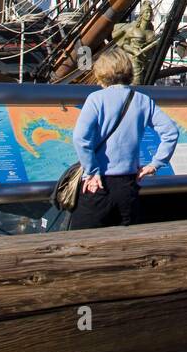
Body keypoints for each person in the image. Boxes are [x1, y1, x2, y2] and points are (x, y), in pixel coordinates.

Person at [70, 46, 179, 230]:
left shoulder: (96, 99)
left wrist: (92, 171)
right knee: (125, 243)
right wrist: (155, 164)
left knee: (82, 242)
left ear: (101, 72)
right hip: (129, 183)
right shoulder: (143, 100)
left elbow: (81, 139)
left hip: (97, 183)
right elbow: (171, 132)